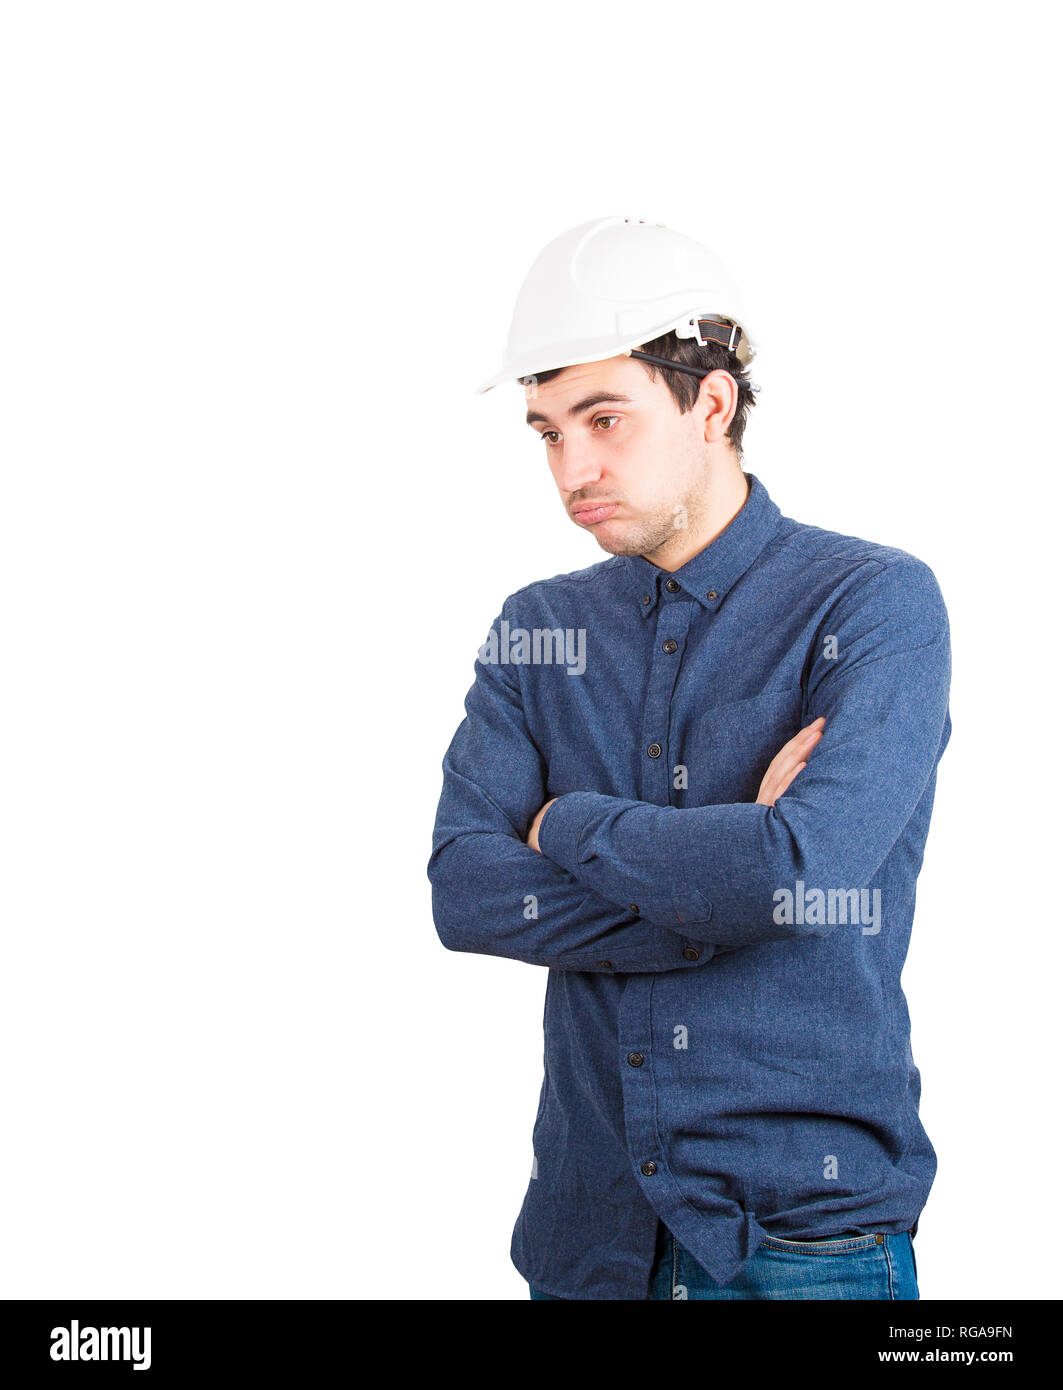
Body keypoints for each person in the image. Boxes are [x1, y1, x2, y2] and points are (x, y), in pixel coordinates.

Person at [427, 216, 950, 1300]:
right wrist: (726, 880)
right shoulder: (537, 630)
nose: (573, 466)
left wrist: (564, 824)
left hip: (805, 1249)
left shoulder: (873, 603)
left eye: (603, 418)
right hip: (590, 1241)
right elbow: (467, 893)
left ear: (710, 403)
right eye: (547, 432)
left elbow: (797, 874)